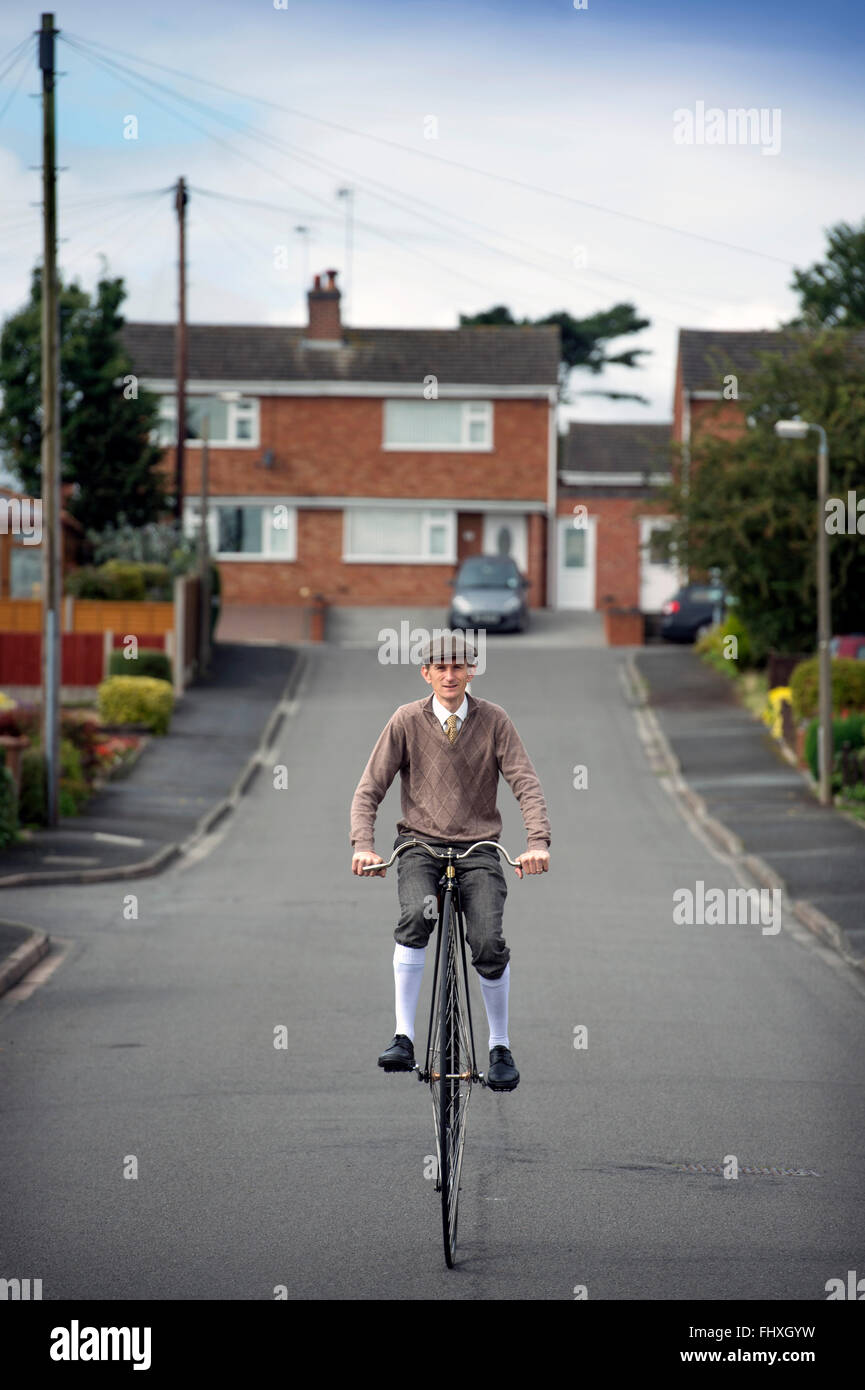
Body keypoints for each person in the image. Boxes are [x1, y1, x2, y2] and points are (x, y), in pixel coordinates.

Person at [350, 631, 550, 1091]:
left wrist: (537, 842)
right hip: (420, 846)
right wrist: (363, 844)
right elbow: (368, 791)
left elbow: (526, 784)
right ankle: (403, 1036)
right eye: (440, 667)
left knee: (486, 940)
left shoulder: (495, 720)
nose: (449, 674)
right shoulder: (405, 720)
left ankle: (499, 1045)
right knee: (416, 918)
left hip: (479, 850)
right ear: (426, 673)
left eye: (458, 666)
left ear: (471, 671)